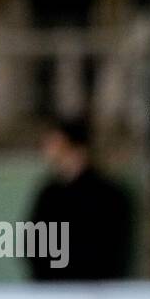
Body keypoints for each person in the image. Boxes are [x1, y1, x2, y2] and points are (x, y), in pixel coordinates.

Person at [26, 116, 133, 281]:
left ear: (75, 147)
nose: (49, 151)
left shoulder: (110, 196)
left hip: (97, 292)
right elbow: (33, 245)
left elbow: (112, 251)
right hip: (52, 291)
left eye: (56, 145)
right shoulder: (49, 195)